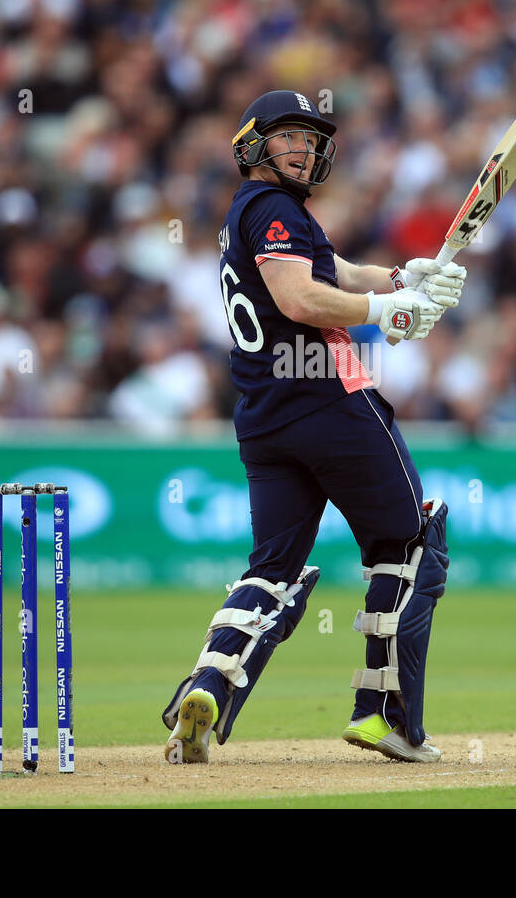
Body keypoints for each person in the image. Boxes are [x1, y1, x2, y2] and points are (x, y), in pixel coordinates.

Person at [161, 90, 466, 763]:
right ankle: (381, 714)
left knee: (273, 570)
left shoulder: (257, 214)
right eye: (287, 137)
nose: (303, 147)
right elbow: (298, 296)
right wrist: (380, 311)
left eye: (310, 137)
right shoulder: (272, 208)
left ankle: (207, 687)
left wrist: (396, 278)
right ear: (253, 147)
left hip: (264, 418)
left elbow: (321, 272)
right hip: (328, 403)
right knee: (411, 541)